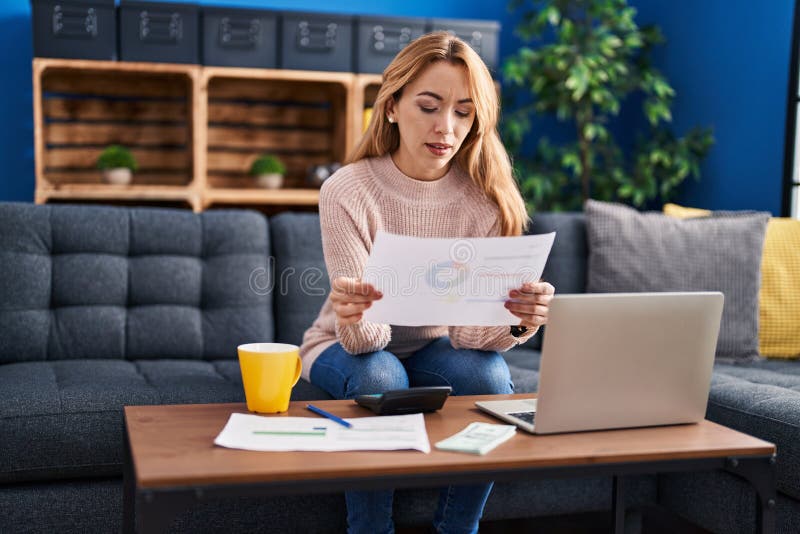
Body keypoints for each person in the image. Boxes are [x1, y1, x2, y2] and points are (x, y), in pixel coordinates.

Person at [299, 31, 556, 534]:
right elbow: (364, 341)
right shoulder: (346, 190)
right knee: (380, 377)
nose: (446, 127)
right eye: (429, 106)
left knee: (489, 378)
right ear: (392, 106)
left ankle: (458, 528)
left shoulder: (485, 200)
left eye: (463, 112)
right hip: (346, 345)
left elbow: (471, 336)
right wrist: (358, 314)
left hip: (434, 347)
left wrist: (518, 321)